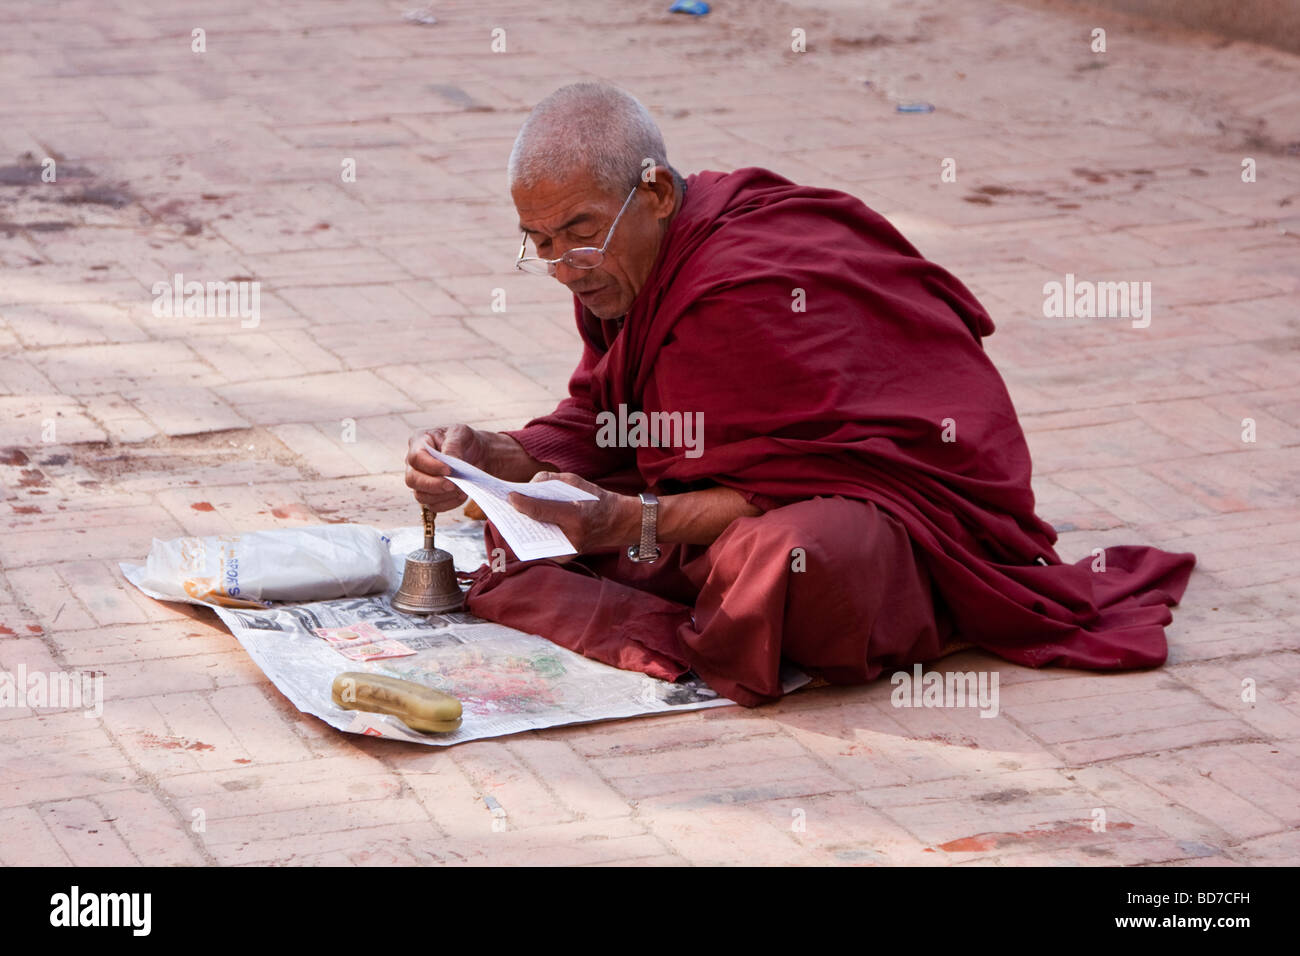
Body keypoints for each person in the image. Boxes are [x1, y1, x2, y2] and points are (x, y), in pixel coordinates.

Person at [404, 82, 1196, 706]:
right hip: (755, 478)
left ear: (656, 195)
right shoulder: (623, 272)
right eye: (539, 244)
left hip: (908, 505)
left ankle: (926, 607)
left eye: (580, 232)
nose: (565, 263)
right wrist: (493, 455)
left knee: (793, 564)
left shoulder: (742, 282)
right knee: (555, 524)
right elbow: (611, 419)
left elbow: (785, 482)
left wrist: (627, 519)